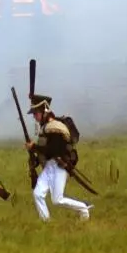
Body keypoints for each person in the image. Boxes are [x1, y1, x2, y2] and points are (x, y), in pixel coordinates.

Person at [26, 93, 92, 221]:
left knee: (57, 200)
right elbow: (45, 152)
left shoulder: (55, 127)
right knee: (38, 194)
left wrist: (34, 147)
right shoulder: (46, 128)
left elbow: (54, 150)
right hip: (49, 166)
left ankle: (83, 207)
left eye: (36, 113)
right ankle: (46, 222)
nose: (34, 117)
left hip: (59, 165)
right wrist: (34, 159)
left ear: (44, 111)